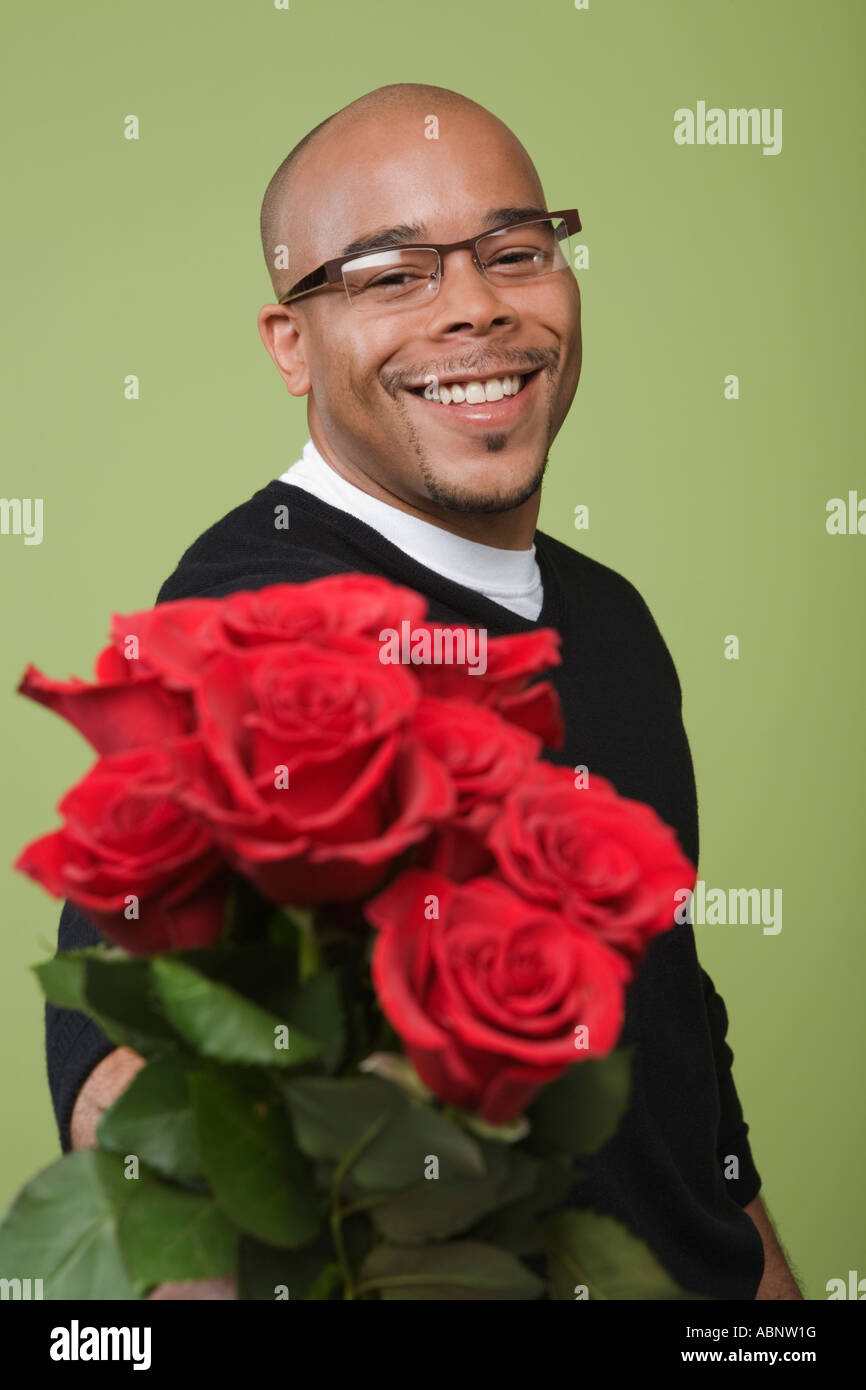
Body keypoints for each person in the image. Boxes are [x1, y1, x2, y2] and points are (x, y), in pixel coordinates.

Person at [46, 82, 802, 1300]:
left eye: (514, 252)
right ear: (290, 342)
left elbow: (670, 1026)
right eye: (393, 274)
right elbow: (128, 1083)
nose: (476, 306)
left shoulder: (607, 618)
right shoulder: (244, 625)